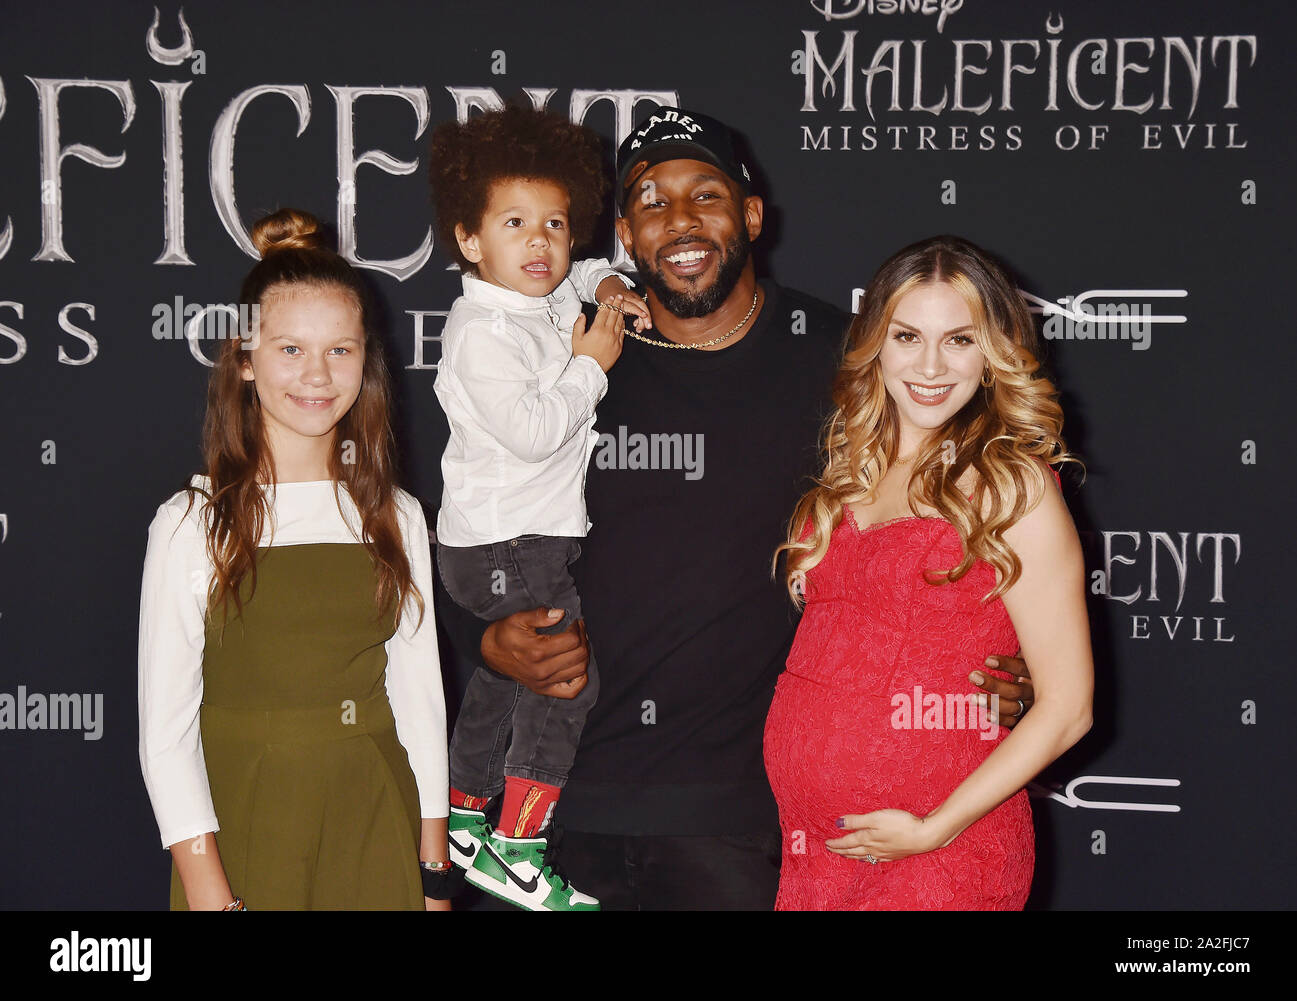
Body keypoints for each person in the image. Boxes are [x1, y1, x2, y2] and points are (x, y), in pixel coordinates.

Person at [434, 106, 1037, 910]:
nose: (679, 220)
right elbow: (473, 522)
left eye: (706, 195)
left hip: (746, 821)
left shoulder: (844, 360)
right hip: (551, 817)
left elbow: (953, 509)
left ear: (750, 214)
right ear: (623, 233)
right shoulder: (566, 357)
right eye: (651, 201)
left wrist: (1004, 660)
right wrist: (484, 638)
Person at [764, 235, 1094, 909]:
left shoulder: (1014, 486)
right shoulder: (847, 476)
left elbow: (1068, 708)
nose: (932, 364)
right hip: (816, 850)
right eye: (908, 335)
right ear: (875, 343)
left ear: (994, 352)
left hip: (942, 852)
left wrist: (931, 829)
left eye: (961, 339)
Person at [137, 208, 452, 910]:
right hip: (248, 834)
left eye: (340, 350)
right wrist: (211, 896)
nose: (317, 373)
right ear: (245, 360)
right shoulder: (191, 525)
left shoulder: (396, 515)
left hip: (376, 823)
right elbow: (166, 735)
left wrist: (434, 879)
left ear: (365, 360)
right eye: (289, 350)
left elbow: (421, 707)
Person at [427, 105, 648, 911]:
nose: (540, 242)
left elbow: (581, 279)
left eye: (554, 223)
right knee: (564, 685)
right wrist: (592, 366)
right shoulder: (480, 330)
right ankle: (517, 846)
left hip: (515, 543)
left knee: (501, 683)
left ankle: (461, 825)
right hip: (503, 545)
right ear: (469, 239)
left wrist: (612, 283)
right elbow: (528, 433)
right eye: (515, 223)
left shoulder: (546, 293)